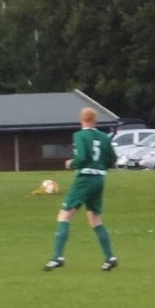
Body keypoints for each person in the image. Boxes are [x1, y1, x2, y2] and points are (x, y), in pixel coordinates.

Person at [44, 108, 119, 271]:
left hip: (85, 178)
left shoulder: (79, 136)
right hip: (100, 178)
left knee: (64, 215)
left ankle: (57, 257)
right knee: (94, 217)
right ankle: (110, 257)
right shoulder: (104, 137)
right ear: (95, 120)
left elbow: (83, 157)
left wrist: (72, 163)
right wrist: (101, 167)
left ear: (81, 120)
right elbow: (113, 158)